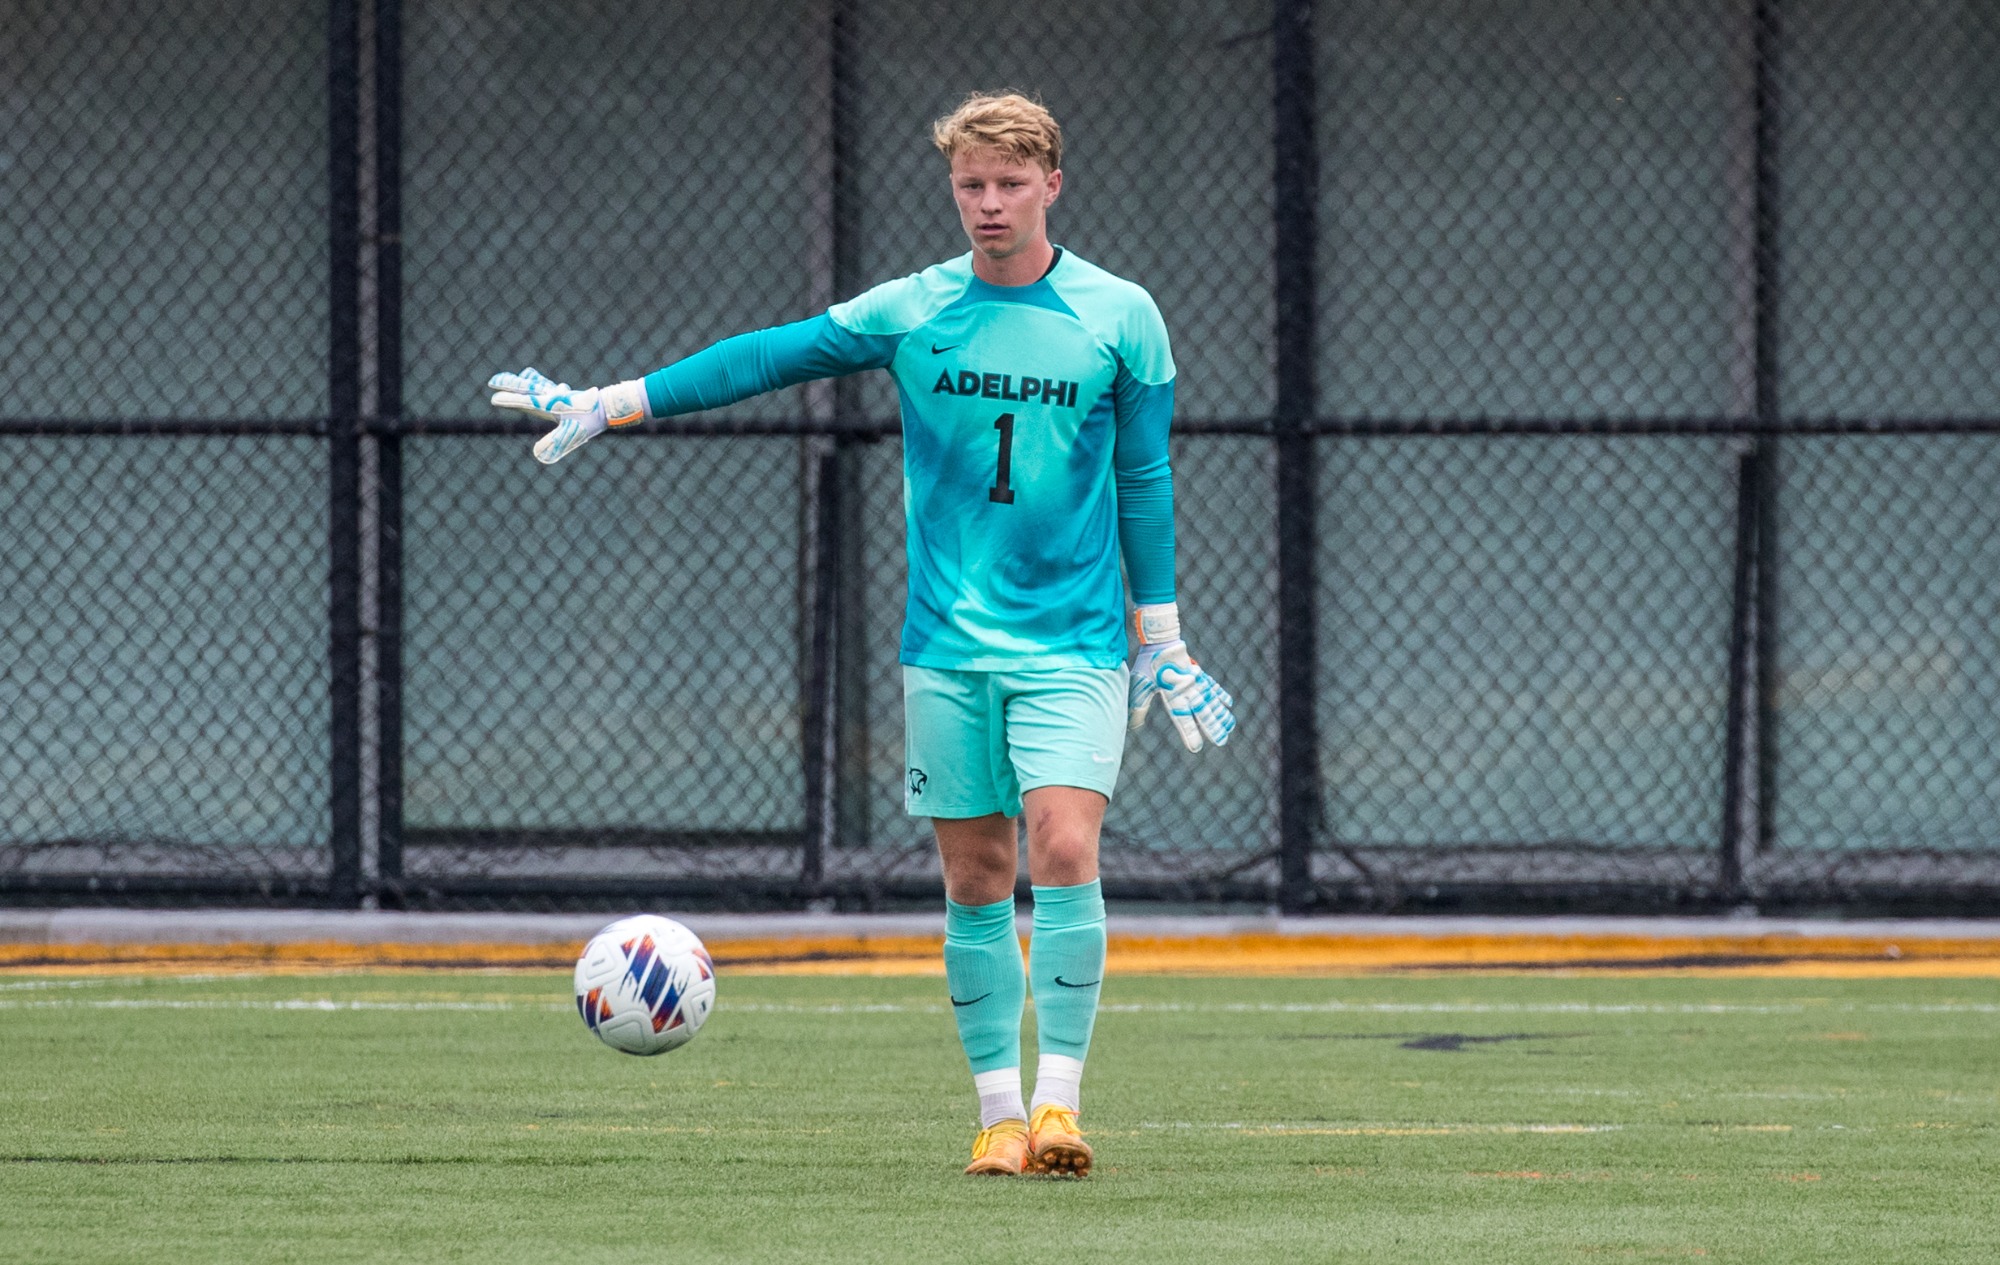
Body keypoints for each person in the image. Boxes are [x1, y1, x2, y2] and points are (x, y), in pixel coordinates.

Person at [489, 91, 1234, 1178]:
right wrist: (615, 401)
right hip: (943, 643)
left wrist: (1158, 635)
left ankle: (1061, 1104)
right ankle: (996, 1117)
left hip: (1073, 642)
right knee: (977, 877)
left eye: (1009, 185)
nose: (988, 204)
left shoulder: (1120, 315)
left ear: (1051, 186)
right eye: (970, 184)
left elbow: (1145, 474)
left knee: (1064, 843)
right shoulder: (913, 307)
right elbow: (767, 357)